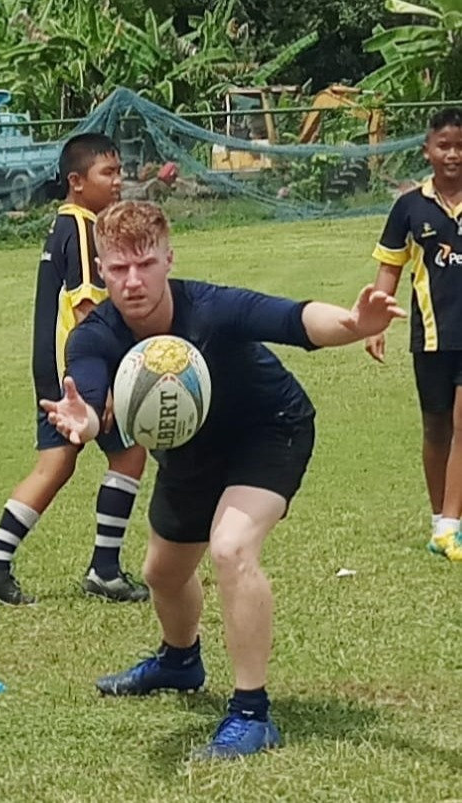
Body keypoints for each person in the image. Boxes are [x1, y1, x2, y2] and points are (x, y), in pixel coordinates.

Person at [41, 200, 404, 759]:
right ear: (101, 267)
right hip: (190, 450)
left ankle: (252, 713)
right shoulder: (94, 336)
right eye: (117, 268)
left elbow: (292, 319)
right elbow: (87, 395)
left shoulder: (210, 307)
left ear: (168, 259)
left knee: (232, 549)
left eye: (145, 264)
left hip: (268, 429)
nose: (132, 281)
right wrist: (84, 421)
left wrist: (355, 324)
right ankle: (180, 661)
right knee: (161, 573)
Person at [0, 134, 148, 605]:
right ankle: (104, 570)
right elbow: (88, 309)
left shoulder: (64, 225)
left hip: (53, 366)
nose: (118, 181)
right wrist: (107, 382)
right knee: (127, 455)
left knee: (57, 464)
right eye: (108, 173)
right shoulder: (85, 227)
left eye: (120, 171)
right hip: (79, 368)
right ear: (76, 181)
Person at [366, 107, 462, 559]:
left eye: (460, 147)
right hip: (430, 335)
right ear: (427, 151)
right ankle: (439, 521)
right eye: (444, 146)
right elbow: (389, 268)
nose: (454, 154)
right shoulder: (409, 207)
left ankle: (451, 522)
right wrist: (377, 320)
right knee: (436, 427)